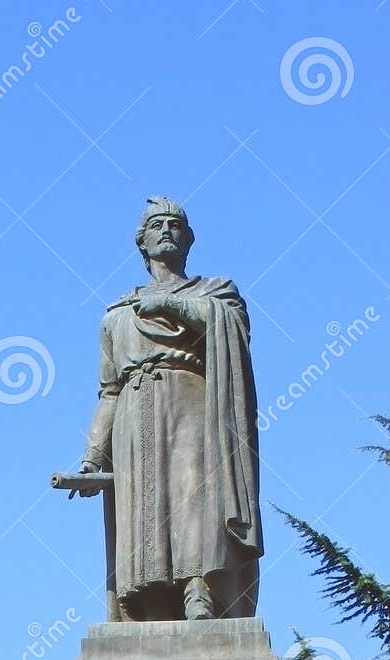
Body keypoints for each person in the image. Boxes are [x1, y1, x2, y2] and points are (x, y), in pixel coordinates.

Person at [77, 197, 262, 622]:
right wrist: (91, 457)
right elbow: (108, 392)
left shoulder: (215, 293)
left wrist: (173, 306)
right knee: (143, 509)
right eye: (156, 225)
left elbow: (231, 330)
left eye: (175, 224)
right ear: (141, 242)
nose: (166, 230)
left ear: (189, 239)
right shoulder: (117, 314)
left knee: (194, 492)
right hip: (133, 414)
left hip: (192, 402)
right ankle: (149, 604)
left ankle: (200, 590)